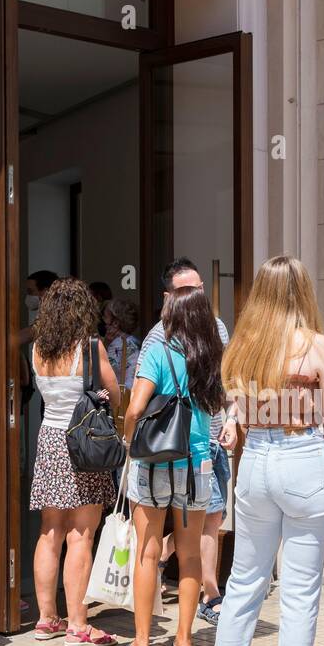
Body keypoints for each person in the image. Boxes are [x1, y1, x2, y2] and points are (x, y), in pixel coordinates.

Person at [204, 256, 324, 646]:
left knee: (245, 580)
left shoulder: (244, 347)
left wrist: (236, 426)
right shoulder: (317, 346)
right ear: (302, 292)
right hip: (304, 454)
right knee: (301, 589)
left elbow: (237, 412)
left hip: (256, 465)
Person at [114, 279, 226, 646]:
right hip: (198, 463)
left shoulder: (158, 351)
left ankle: (142, 645)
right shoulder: (211, 355)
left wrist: (128, 440)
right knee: (191, 555)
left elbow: (134, 408)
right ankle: (185, 641)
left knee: (148, 553)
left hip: (155, 462)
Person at [133, 258, 233, 625]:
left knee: (209, 521)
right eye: (187, 291)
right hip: (171, 452)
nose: (196, 298)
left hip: (210, 445)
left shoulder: (217, 329)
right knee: (195, 529)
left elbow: (227, 382)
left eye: (200, 290)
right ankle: (209, 597)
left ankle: (155, 634)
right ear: (169, 297)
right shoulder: (158, 338)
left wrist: (233, 420)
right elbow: (142, 395)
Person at [28, 277, 121, 646]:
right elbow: (113, 393)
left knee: (49, 530)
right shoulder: (89, 347)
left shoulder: (37, 348)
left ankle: (46, 617)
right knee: (81, 533)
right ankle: (79, 625)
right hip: (83, 442)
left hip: (49, 439)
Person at [102, 296, 141, 389]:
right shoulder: (113, 343)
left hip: (119, 399)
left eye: (105, 317)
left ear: (115, 322)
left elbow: (131, 380)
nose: (103, 320)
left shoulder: (128, 345)